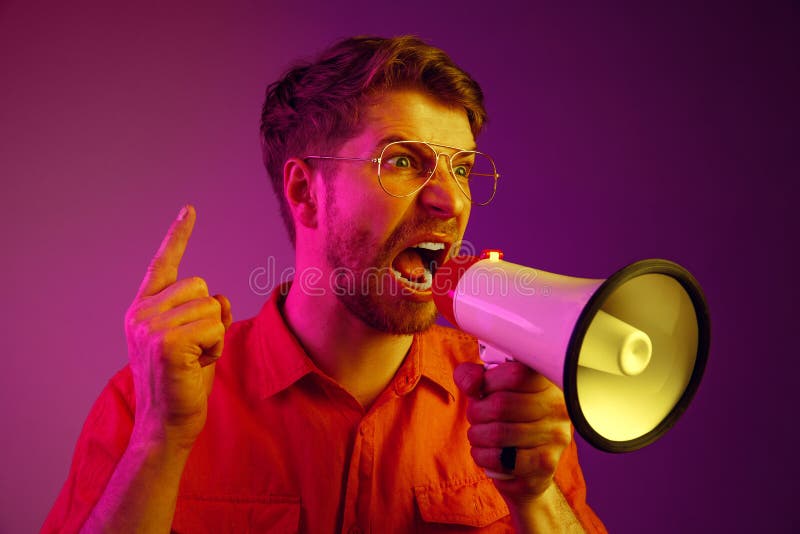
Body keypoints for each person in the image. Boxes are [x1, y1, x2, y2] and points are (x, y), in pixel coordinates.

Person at [43, 36, 606, 533]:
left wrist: (535, 499)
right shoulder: (150, 399)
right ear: (306, 191)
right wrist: (159, 440)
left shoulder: (512, 403)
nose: (453, 201)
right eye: (404, 161)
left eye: (461, 169)